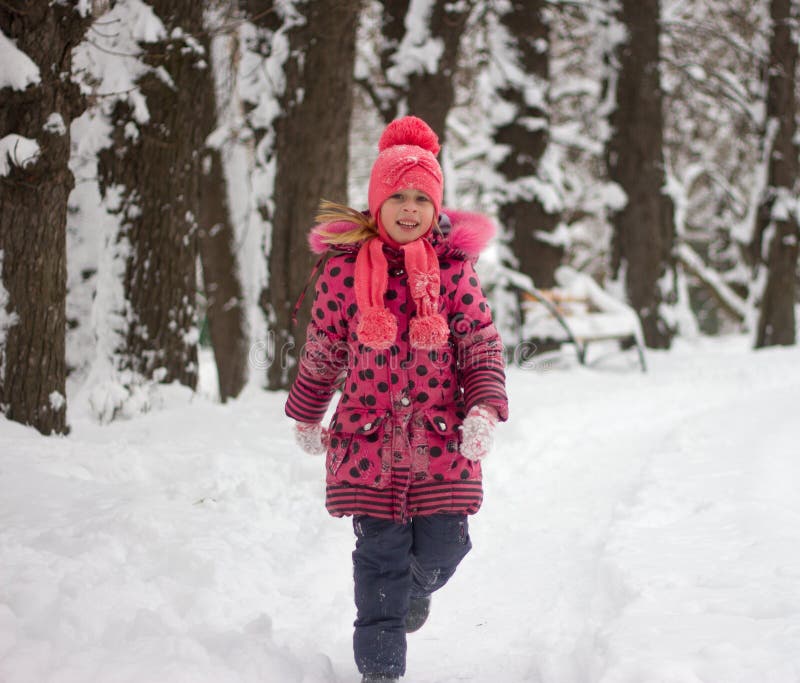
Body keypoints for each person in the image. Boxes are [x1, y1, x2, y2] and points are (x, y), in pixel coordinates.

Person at [285, 115, 508, 683]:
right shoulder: (342, 273)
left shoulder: (454, 273)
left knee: (444, 549)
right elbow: (323, 350)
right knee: (378, 563)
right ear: (376, 203)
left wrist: (483, 408)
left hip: (440, 442)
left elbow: (481, 343)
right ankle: (380, 671)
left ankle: (418, 586)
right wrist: (308, 415)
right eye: (398, 197)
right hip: (368, 445)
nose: (409, 209)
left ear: (436, 206)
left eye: (421, 198)